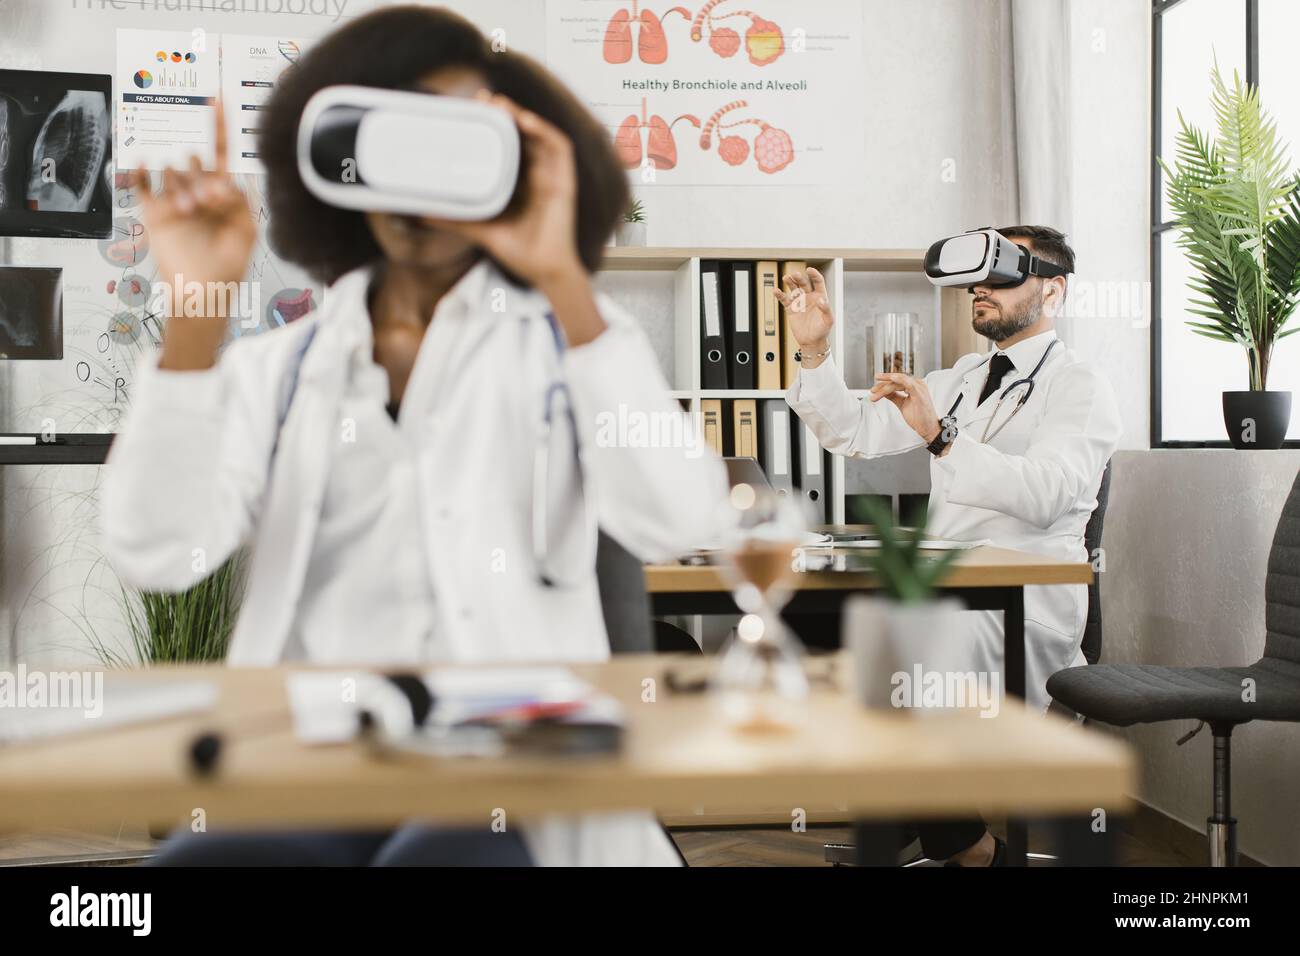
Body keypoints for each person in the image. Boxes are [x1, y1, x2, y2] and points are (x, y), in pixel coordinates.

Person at [101, 6, 727, 866]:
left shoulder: (572, 345)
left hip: (514, 775)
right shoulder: (278, 371)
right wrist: (195, 316)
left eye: (451, 146)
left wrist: (563, 277)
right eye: (386, 146)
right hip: (309, 766)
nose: (415, 187)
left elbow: (683, 524)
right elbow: (156, 552)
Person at [780, 225, 1122, 866]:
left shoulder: (1080, 386)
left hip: (1021, 601)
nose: (982, 289)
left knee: (900, 656)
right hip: (943, 589)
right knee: (804, 617)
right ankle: (923, 822)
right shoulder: (962, 376)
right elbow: (854, 431)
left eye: (1005, 273)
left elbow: (1048, 492)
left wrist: (941, 438)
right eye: (978, 278)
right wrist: (815, 348)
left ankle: (963, 845)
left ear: (1054, 291)